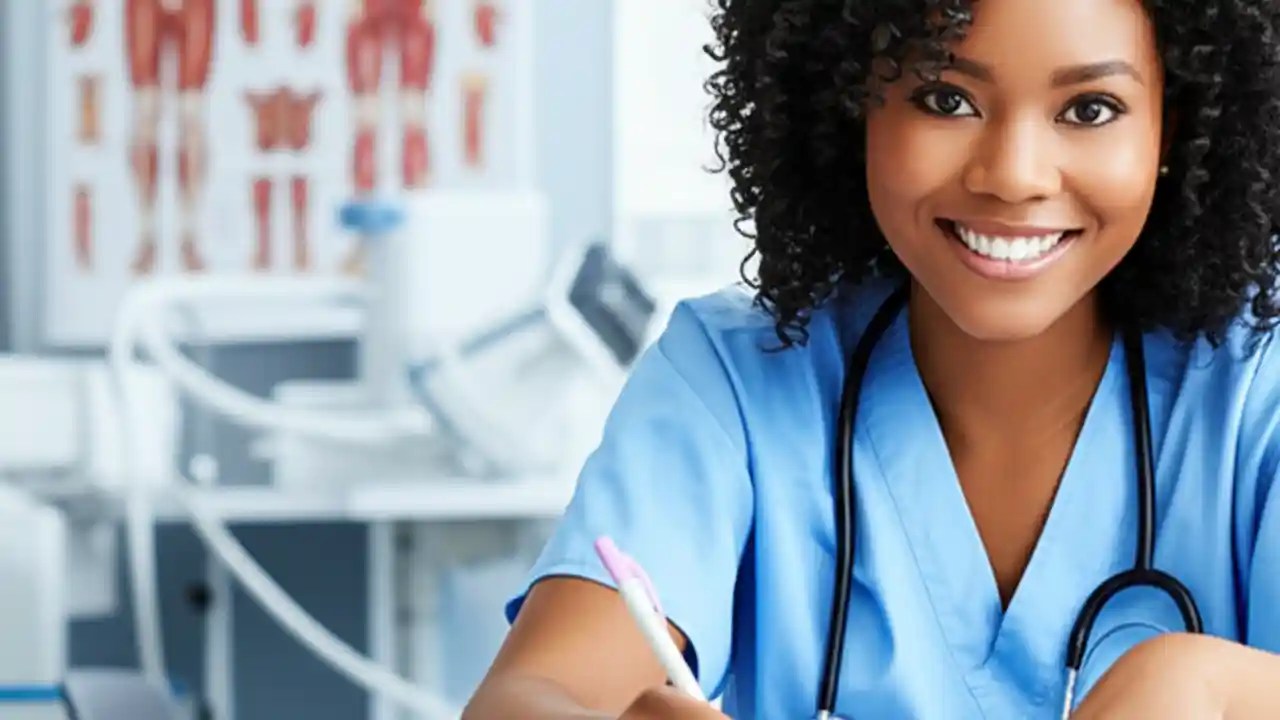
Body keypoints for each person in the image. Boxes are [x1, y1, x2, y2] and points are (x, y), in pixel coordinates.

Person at [464, 0, 1280, 717]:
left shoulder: (1255, 392)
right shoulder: (737, 381)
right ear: (852, 103)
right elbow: (533, 694)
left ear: (1178, 125)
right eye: (945, 98)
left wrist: (1203, 685)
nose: (1013, 176)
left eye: (1092, 109)